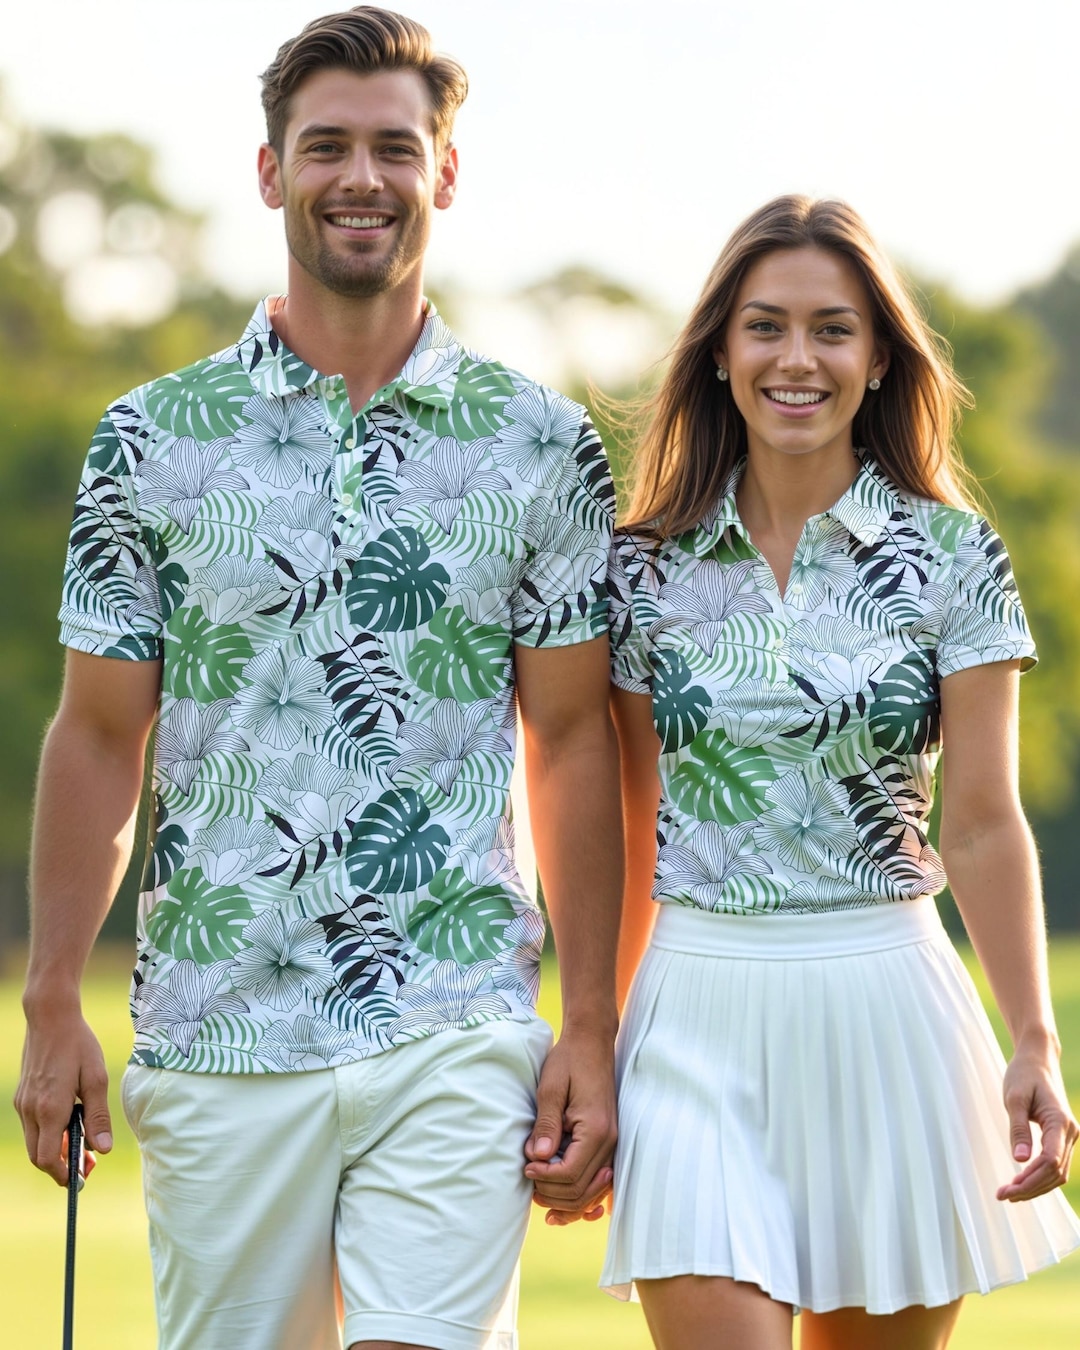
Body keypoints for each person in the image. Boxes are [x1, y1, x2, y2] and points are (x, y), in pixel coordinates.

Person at [15, 8, 621, 1348]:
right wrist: (54, 996)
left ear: (444, 173)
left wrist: (590, 1025)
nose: (363, 176)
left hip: (453, 1014)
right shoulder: (149, 439)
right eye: (327, 145)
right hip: (218, 1021)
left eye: (395, 148)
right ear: (270, 170)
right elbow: (100, 736)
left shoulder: (541, 440)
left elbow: (575, 740)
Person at [600, 194, 1080, 1350]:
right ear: (720, 354)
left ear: (877, 360)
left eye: (833, 329)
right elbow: (628, 822)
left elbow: (979, 825)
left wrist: (1033, 1039)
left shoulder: (953, 556)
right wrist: (592, 1041)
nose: (796, 358)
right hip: (693, 1015)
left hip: (889, 1015)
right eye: (765, 326)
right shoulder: (639, 569)